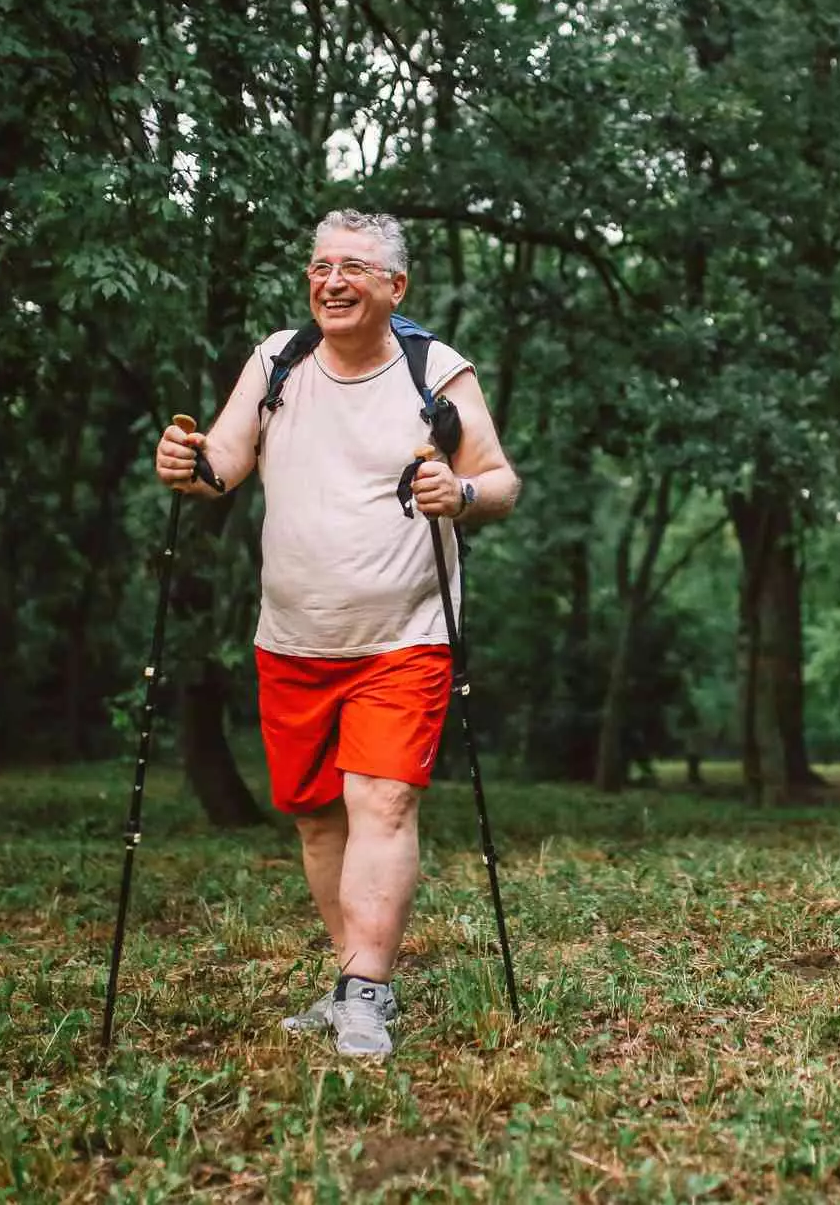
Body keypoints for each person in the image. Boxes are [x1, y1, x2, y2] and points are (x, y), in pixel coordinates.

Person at [152, 209, 520, 1058]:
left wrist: (460, 497)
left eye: (353, 267)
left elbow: (499, 481)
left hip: (406, 633)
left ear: (396, 287)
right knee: (318, 818)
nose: (332, 280)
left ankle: (368, 994)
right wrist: (188, 465)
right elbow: (222, 465)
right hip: (292, 637)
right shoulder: (276, 361)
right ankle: (347, 978)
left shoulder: (435, 371)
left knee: (381, 801)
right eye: (320, 266)